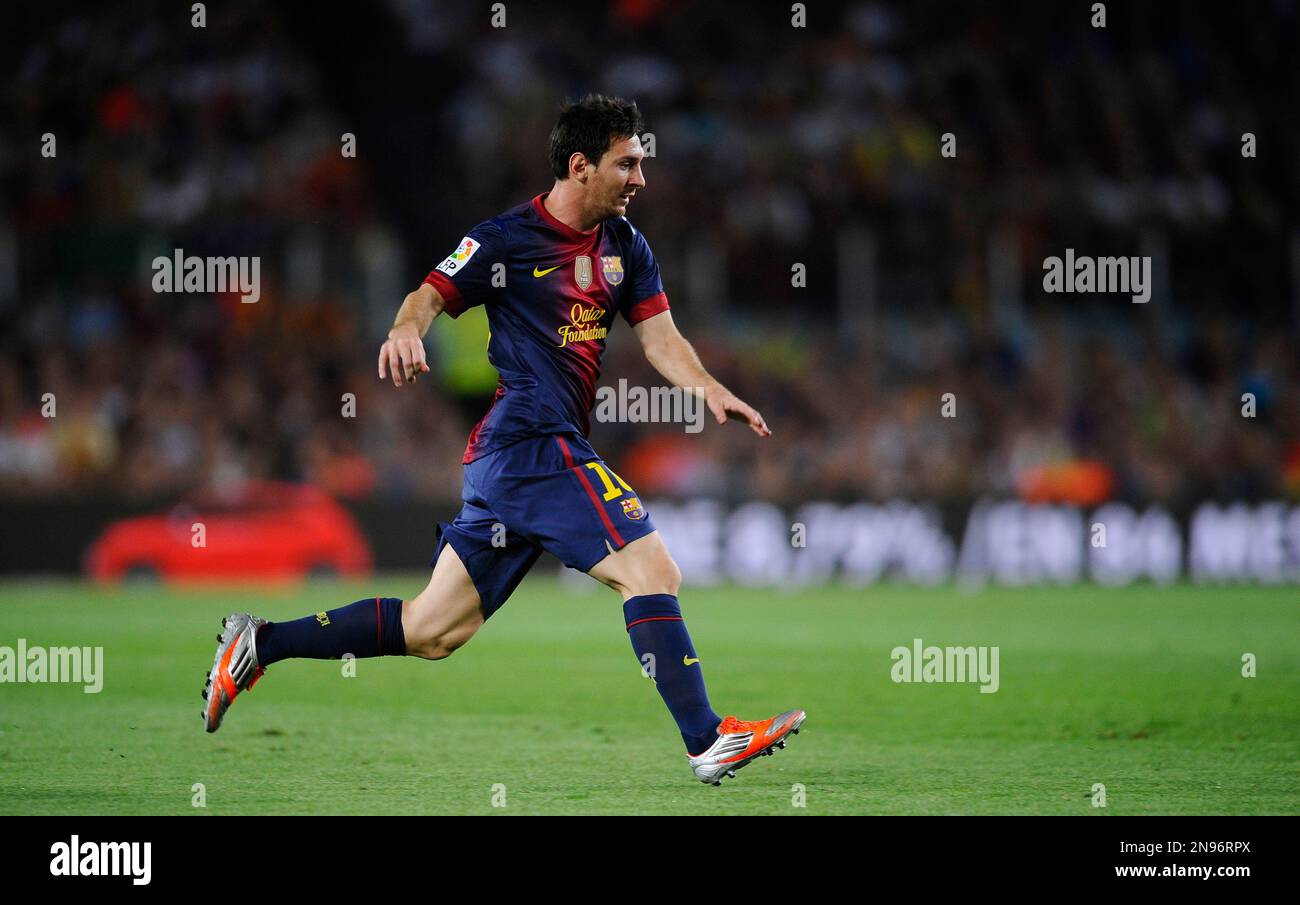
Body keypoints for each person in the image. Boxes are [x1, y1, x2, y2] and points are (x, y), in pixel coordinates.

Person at [202, 94, 805, 785]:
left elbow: (662, 337)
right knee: (652, 570)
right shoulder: (507, 240)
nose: (641, 177)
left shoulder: (626, 246)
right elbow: (427, 294)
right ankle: (707, 738)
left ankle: (260, 642)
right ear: (581, 166)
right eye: (627, 163)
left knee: (432, 629)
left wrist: (708, 388)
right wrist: (405, 329)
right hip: (530, 442)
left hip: (512, 461)